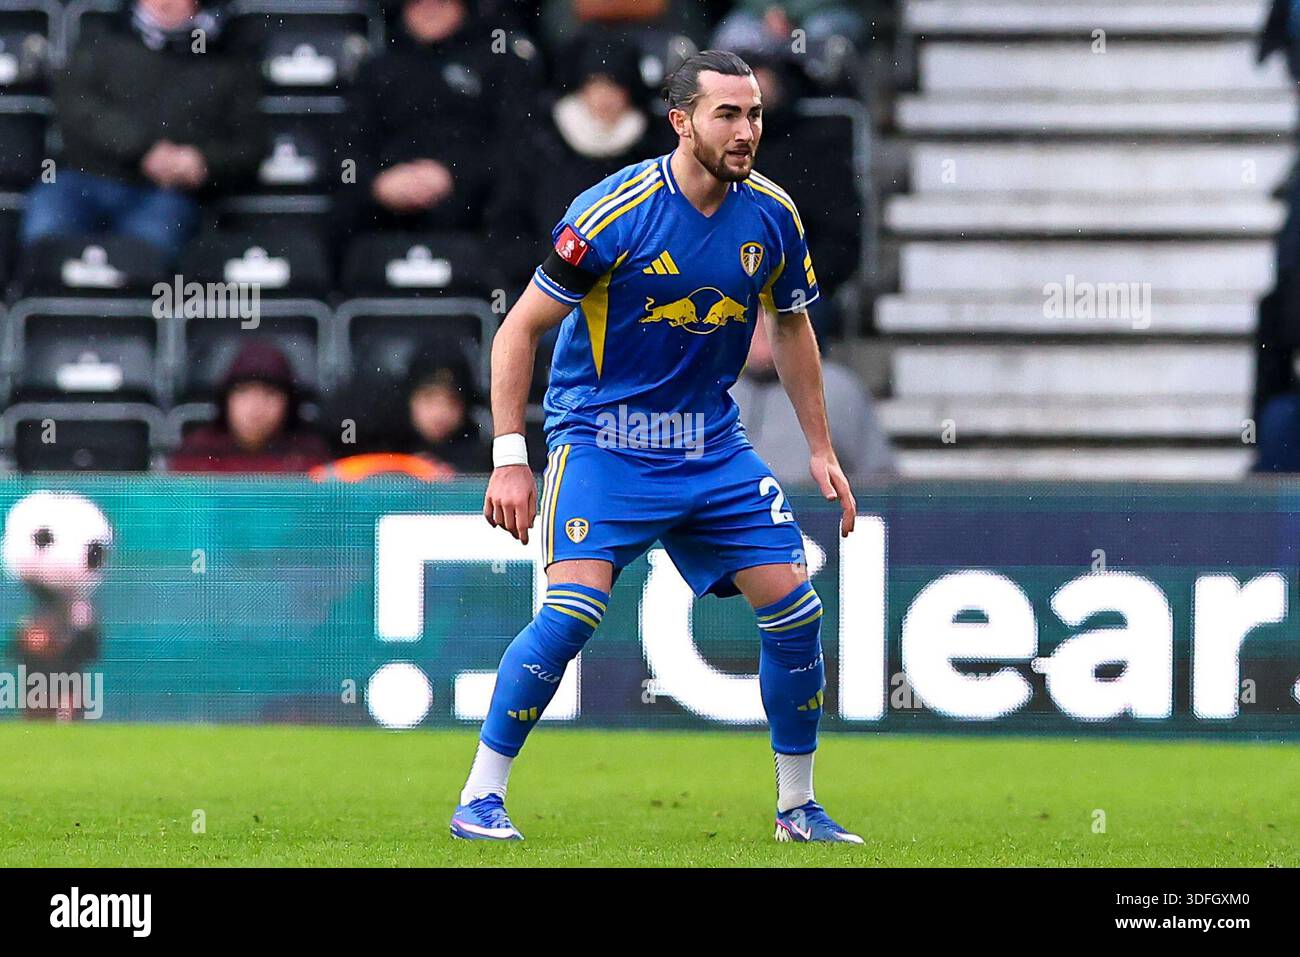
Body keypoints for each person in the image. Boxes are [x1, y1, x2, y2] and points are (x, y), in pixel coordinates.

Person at [451, 50, 862, 844]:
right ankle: (480, 796)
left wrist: (821, 448)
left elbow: (792, 324)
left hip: (709, 443)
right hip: (604, 439)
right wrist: (510, 455)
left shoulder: (773, 214)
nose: (746, 132)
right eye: (727, 115)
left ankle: (797, 807)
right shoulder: (615, 209)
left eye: (754, 116)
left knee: (796, 610)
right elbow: (519, 330)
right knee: (572, 613)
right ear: (681, 122)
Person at [21, 0, 263, 264]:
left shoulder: (229, 56)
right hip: (85, 178)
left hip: (168, 194)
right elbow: (74, 105)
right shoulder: (103, 35)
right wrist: (144, 150)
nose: (163, 2)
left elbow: (250, 145)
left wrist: (202, 161)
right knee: (47, 226)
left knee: (148, 252)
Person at [340, 0, 533, 236]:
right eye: (417, 1)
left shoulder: (499, 63)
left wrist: (455, 175)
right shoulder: (376, 69)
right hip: (384, 219)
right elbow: (346, 151)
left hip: (477, 220)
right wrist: (376, 184)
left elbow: (516, 144)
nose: (429, 7)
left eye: (441, 0)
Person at [734, 306, 895, 485]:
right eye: (751, 316)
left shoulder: (836, 388)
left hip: (814, 510)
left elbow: (879, 480)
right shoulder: (712, 391)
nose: (763, 326)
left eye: (772, 314)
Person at [170, 341, 331, 473]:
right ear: (226, 399)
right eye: (243, 392)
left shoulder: (311, 455)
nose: (256, 407)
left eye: (270, 393)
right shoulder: (195, 454)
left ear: (289, 403)